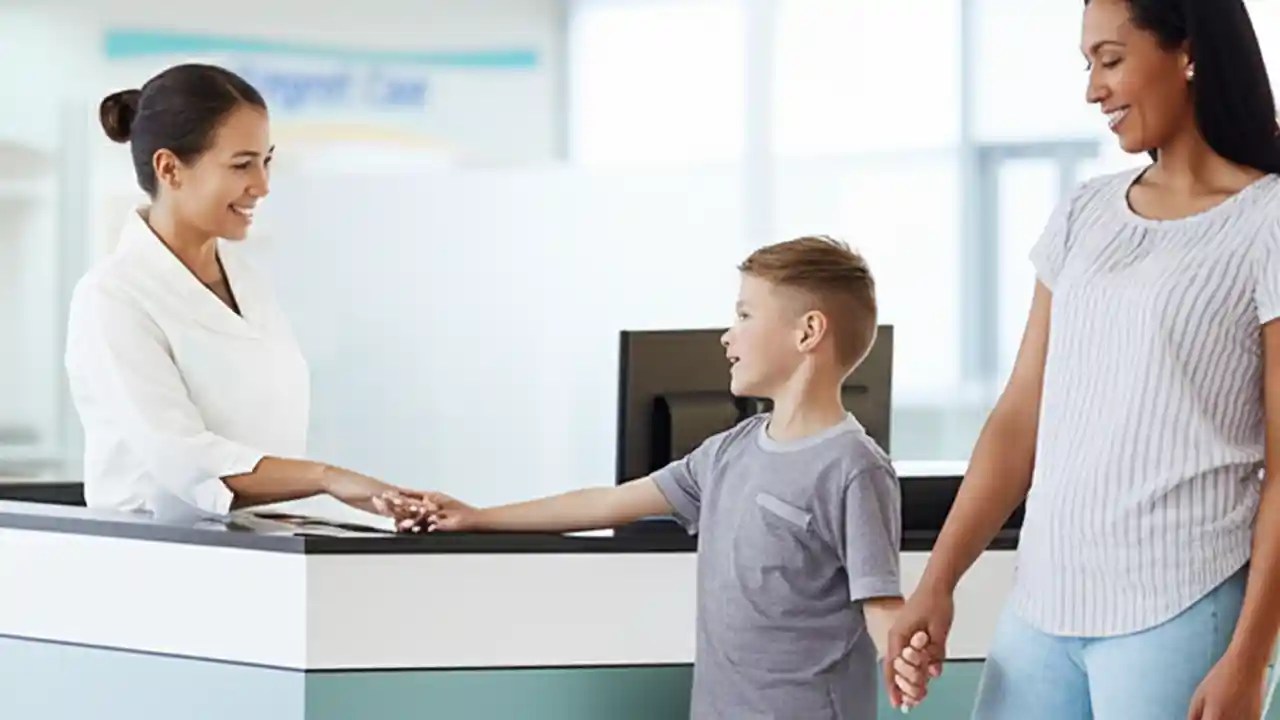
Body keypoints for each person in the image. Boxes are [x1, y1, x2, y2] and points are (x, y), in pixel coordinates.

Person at [887, 1, 1280, 718]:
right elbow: (1019, 419)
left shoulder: (1267, 221)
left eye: (1110, 59)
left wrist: (1250, 658)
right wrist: (937, 581)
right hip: (1042, 607)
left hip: (1181, 607)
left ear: (1186, 54)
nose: (1093, 89)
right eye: (1088, 65)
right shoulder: (1083, 214)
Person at [386, 236, 903, 720]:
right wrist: (477, 518)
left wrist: (904, 656)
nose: (728, 334)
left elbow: (880, 602)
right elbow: (605, 504)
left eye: (745, 314)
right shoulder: (728, 451)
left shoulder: (855, 468)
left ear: (808, 331)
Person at [65, 63, 417, 521]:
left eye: (266, 160)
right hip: (155, 558)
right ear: (170, 168)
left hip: (259, 552)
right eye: (242, 164)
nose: (263, 185)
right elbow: (184, 460)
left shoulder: (247, 282)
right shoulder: (112, 297)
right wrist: (327, 478)